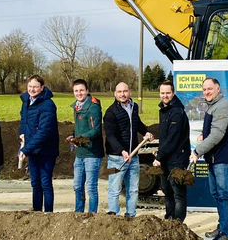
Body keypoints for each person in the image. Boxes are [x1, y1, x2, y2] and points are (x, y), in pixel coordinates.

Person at [190, 77, 228, 240]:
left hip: (223, 159)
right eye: (204, 90)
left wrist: (197, 151)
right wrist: (204, 136)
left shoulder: (223, 106)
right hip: (215, 158)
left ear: (218, 89)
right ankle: (222, 227)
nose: (206, 92)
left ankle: (226, 234)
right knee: (217, 193)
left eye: (210, 89)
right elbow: (216, 130)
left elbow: (218, 135)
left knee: (225, 196)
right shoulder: (214, 105)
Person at [103, 81, 153, 216]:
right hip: (116, 157)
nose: (122, 94)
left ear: (130, 92)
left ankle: (130, 215)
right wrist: (122, 151)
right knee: (115, 188)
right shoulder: (111, 112)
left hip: (134, 155)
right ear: (115, 93)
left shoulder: (133, 107)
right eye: (119, 92)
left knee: (133, 189)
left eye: (125, 91)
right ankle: (115, 217)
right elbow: (110, 136)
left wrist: (146, 132)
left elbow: (136, 123)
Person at [19, 75, 59, 212]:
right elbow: (23, 120)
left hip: (46, 150)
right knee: (35, 183)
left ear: (42, 88)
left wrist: (26, 149)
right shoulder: (26, 101)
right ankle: (37, 213)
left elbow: (44, 132)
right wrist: (22, 133)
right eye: (30, 86)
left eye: (35, 87)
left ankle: (48, 213)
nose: (32, 89)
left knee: (45, 182)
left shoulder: (48, 105)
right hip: (33, 150)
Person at [154, 81, 191, 222]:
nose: (165, 96)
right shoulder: (164, 110)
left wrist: (159, 156)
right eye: (162, 93)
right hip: (166, 158)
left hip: (177, 158)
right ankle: (169, 218)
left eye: (168, 93)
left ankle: (178, 223)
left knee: (178, 192)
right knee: (167, 190)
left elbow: (173, 138)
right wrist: (160, 151)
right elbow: (165, 137)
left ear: (173, 93)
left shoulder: (177, 112)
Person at [66, 79, 104, 213]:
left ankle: (92, 215)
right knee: (77, 186)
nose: (79, 93)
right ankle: (79, 213)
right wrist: (73, 135)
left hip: (92, 154)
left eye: (81, 90)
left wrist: (79, 139)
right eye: (76, 91)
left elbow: (96, 130)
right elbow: (79, 127)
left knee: (91, 187)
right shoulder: (77, 107)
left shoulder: (93, 108)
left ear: (87, 91)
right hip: (80, 153)